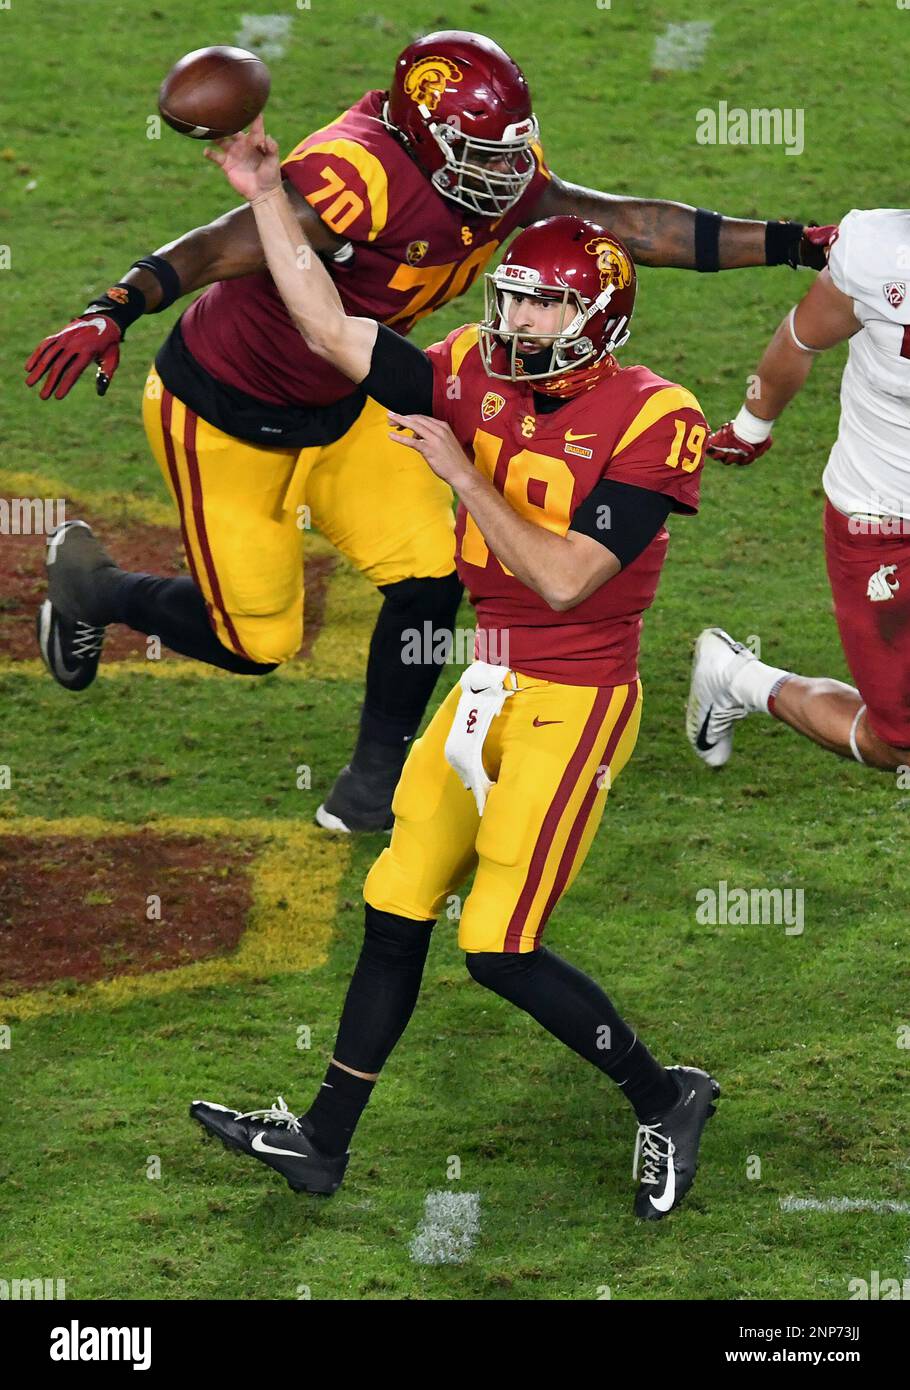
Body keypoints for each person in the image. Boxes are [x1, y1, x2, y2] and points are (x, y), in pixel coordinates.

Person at [26, 29, 833, 832]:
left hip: (351, 399)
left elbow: (630, 226)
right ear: (423, 137)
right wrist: (114, 307)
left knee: (432, 569)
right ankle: (94, 589)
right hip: (225, 412)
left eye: (510, 150)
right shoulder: (360, 173)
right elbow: (214, 247)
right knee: (256, 641)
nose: (506, 173)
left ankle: (373, 781)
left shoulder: (489, 162)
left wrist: (794, 244)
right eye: (481, 153)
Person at [190, 117, 719, 1221]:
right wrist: (268, 193)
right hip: (483, 683)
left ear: (598, 319)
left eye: (542, 303)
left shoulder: (656, 415)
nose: (514, 319)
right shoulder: (470, 365)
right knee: (392, 904)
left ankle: (664, 1093)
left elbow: (571, 576)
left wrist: (460, 474)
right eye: (511, 294)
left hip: (573, 703)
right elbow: (333, 328)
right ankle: (323, 1141)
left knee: (496, 946)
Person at [688, 209, 910, 774]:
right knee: (900, 743)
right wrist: (750, 426)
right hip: (882, 522)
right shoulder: (879, 253)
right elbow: (801, 337)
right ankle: (738, 678)